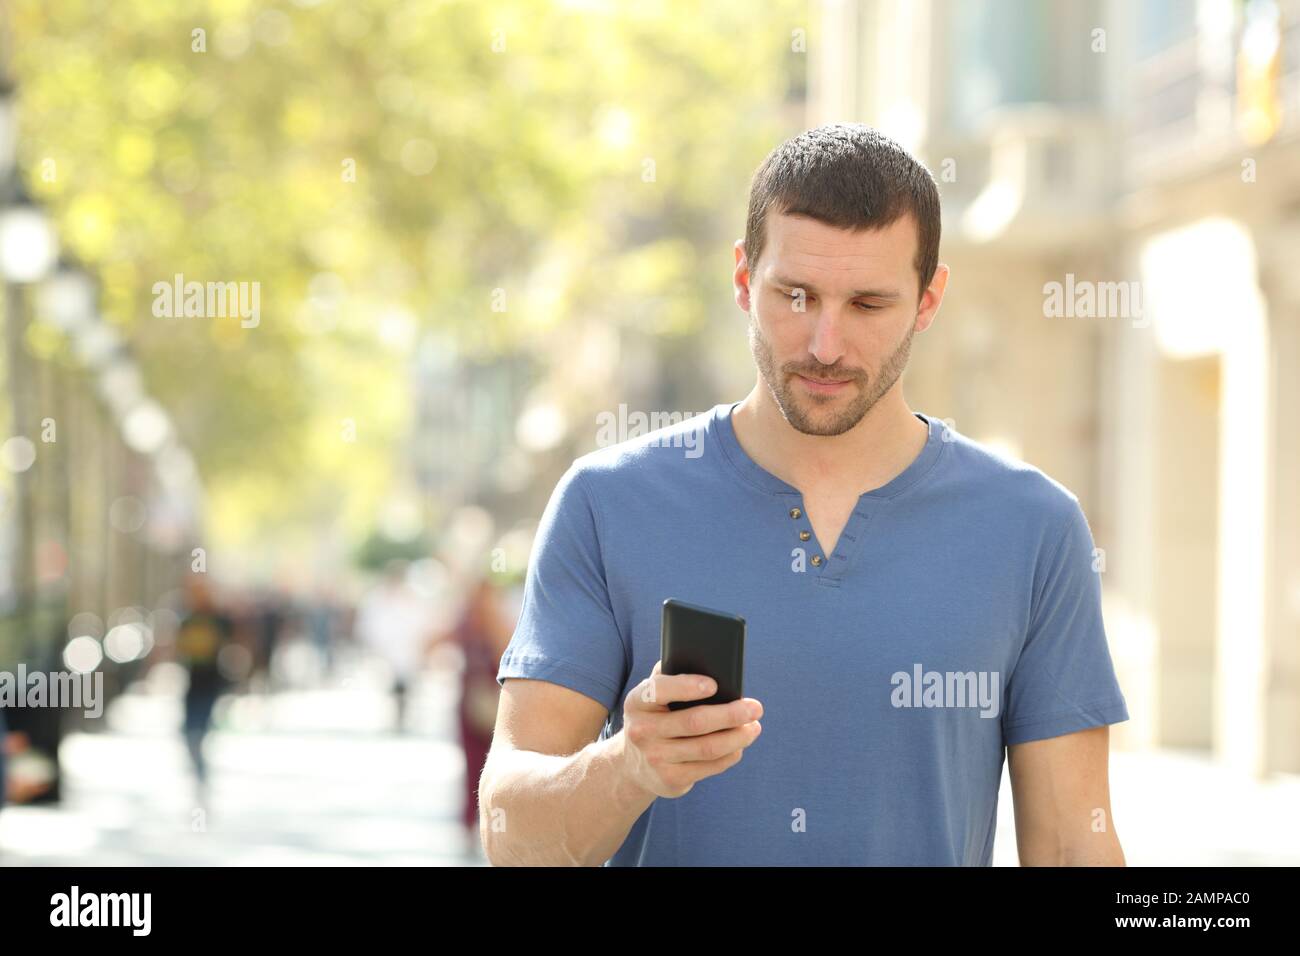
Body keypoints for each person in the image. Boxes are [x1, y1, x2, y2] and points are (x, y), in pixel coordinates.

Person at [481, 124, 1130, 866]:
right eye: (796, 294)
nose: (825, 344)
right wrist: (629, 766)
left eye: (867, 304)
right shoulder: (606, 504)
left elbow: (1076, 846)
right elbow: (511, 836)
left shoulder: (1033, 528)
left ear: (928, 298)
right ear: (740, 278)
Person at [429, 576, 515, 860]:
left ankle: (495, 829)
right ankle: (471, 827)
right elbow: (431, 643)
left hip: (495, 705)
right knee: (471, 767)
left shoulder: (497, 621)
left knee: (496, 767)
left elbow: (510, 654)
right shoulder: (464, 621)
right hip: (470, 704)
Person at [174, 574, 236, 805]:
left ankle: (201, 773)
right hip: (192, 683)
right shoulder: (187, 620)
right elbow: (175, 647)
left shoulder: (218, 620)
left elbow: (236, 645)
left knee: (201, 729)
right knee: (189, 732)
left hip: (211, 682)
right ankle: (198, 770)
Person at [354, 560, 434, 733]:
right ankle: (397, 714)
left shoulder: (413, 597)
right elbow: (371, 623)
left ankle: (403, 714)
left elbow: (422, 622)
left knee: (407, 684)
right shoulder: (378, 598)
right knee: (393, 684)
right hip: (388, 650)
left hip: (408, 649)